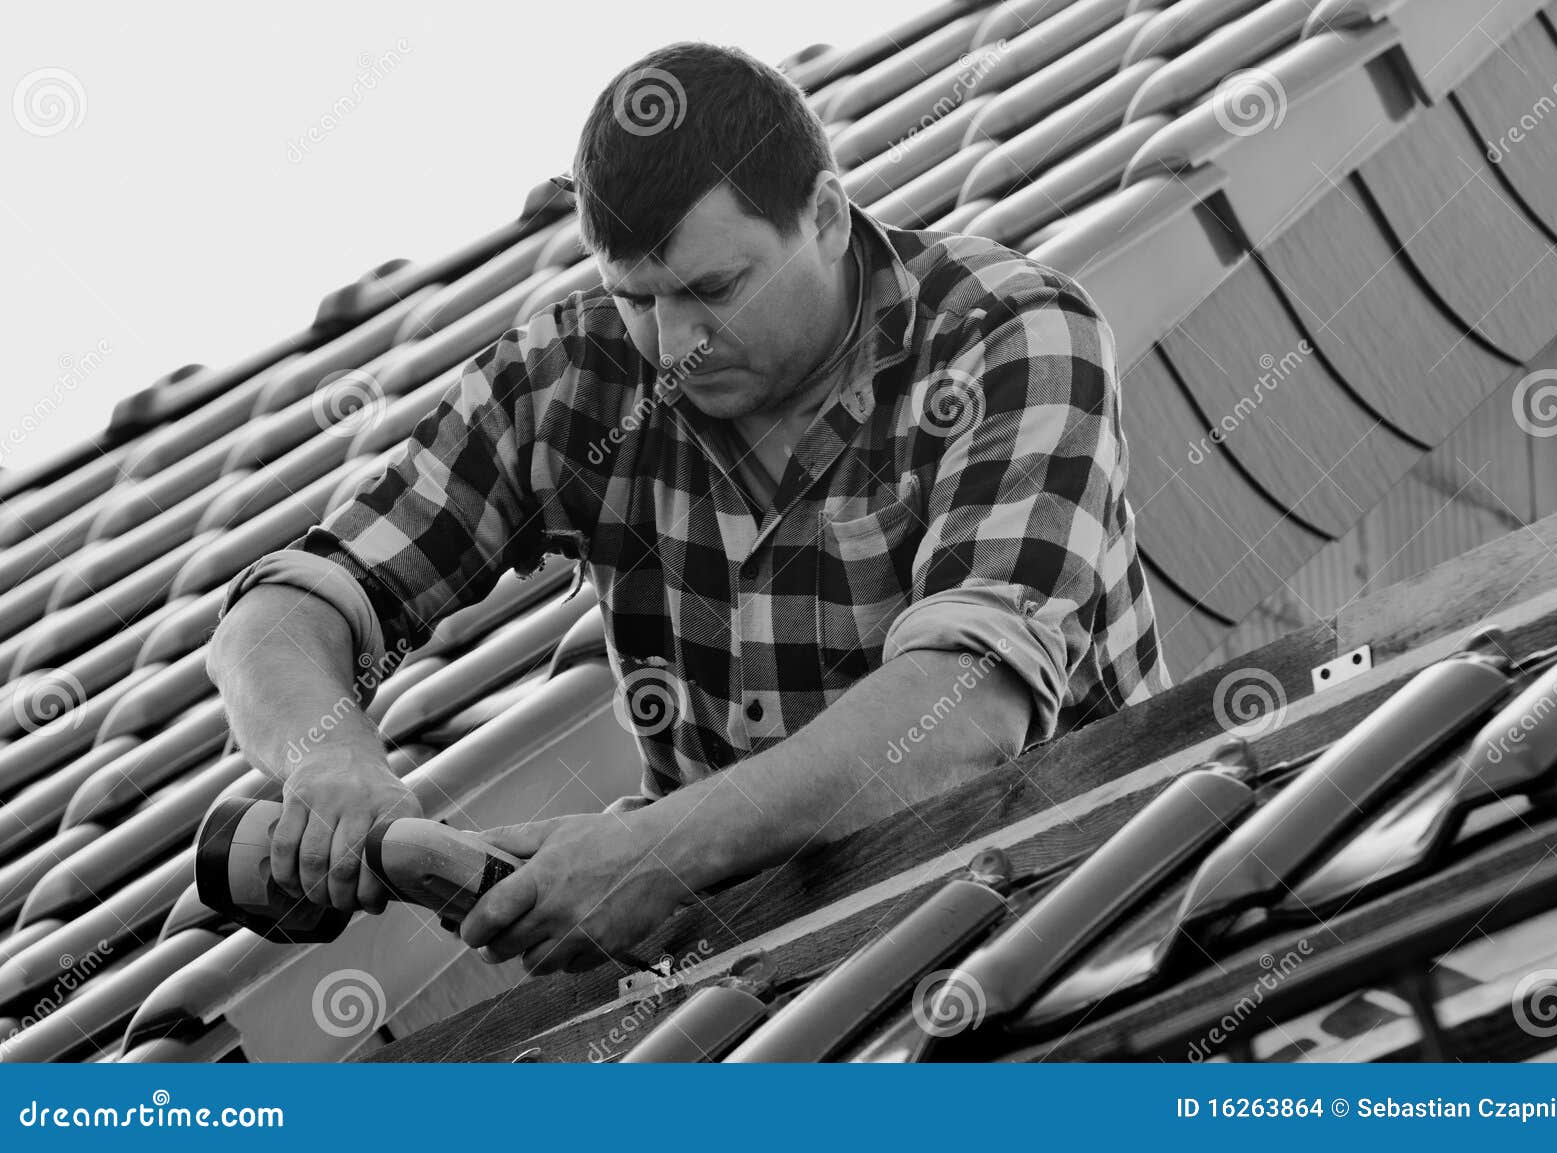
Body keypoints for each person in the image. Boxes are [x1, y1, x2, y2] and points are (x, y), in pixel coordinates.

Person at [205, 41, 1171, 977]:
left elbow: (965, 717)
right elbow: (275, 617)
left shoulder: (1007, 337)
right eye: (636, 299)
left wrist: (656, 853)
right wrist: (330, 761)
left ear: (827, 217)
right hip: (760, 994)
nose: (676, 346)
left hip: (1082, 913)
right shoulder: (572, 378)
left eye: (714, 289)